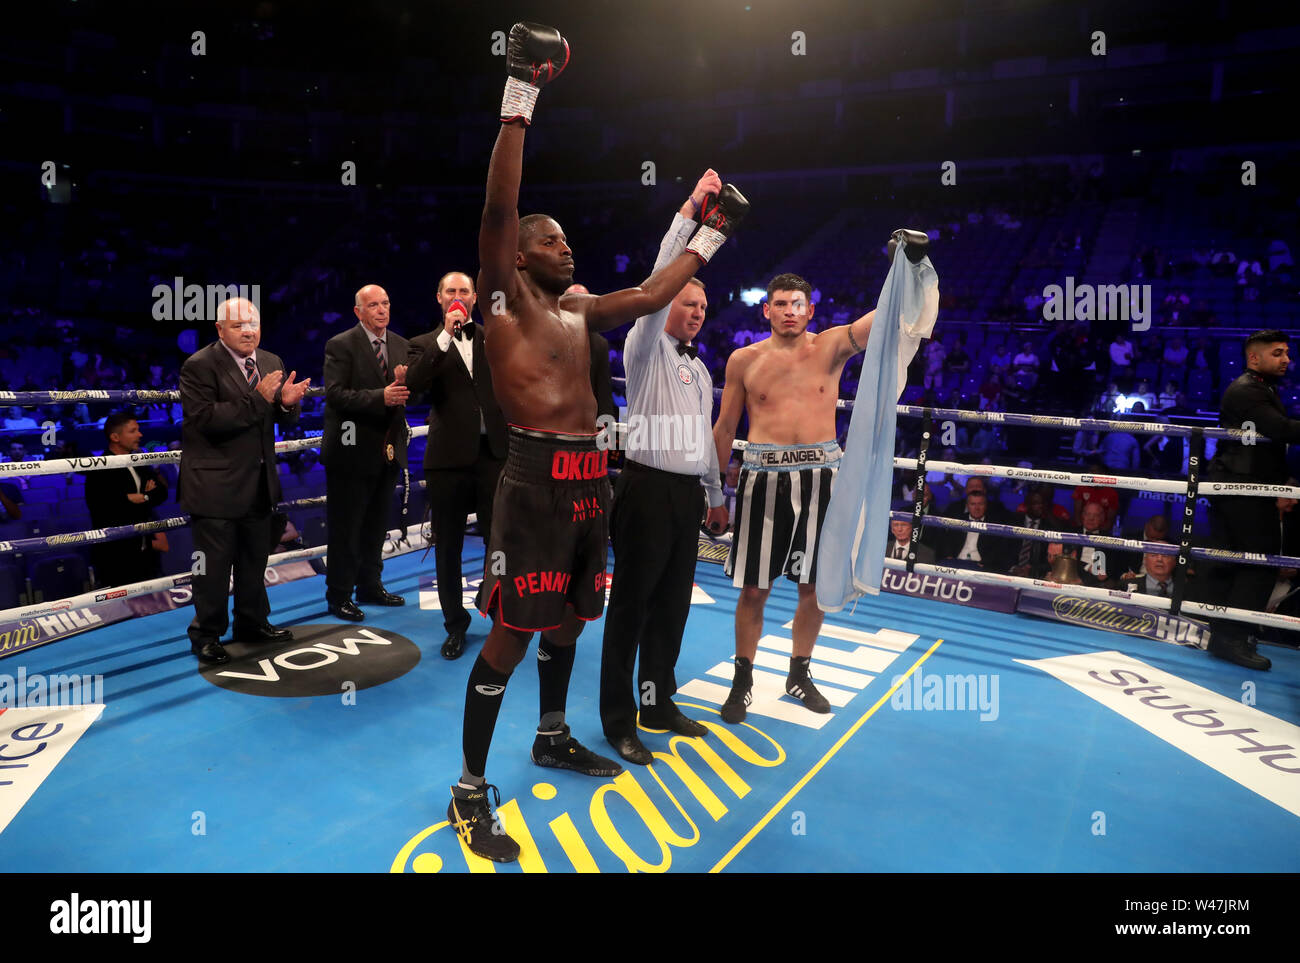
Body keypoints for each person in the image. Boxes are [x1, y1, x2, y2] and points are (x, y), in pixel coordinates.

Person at [445, 21, 748, 864]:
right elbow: (500, 208)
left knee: (573, 622)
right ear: (521, 254)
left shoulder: (579, 311)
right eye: (550, 240)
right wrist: (521, 95)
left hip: (591, 488)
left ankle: (551, 733)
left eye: (566, 241)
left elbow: (655, 290)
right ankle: (469, 787)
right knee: (511, 632)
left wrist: (711, 232)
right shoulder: (505, 301)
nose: (563, 245)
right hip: (533, 488)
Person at [600, 171, 730, 766]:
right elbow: (656, 278)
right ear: (667, 303)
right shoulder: (644, 345)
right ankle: (617, 719)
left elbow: (703, 440)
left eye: (704, 305)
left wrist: (716, 494)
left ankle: (656, 703)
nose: (697, 311)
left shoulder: (702, 371)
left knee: (673, 605)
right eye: (688, 301)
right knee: (629, 605)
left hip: (686, 499)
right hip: (645, 489)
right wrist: (691, 213)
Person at [712, 270, 877, 725]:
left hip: (822, 479)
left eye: (797, 304)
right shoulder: (744, 360)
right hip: (763, 479)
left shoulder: (830, 347)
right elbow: (726, 428)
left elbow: (883, 320)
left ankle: (799, 673)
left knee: (813, 587)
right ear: (767, 310)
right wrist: (710, 491)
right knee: (753, 588)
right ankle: (742, 679)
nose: (790, 311)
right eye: (781, 304)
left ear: (811, 309)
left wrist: (911, 268)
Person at [178, 297, 310, 666]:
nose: (249, 331)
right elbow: (204, 419)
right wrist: (260, 399)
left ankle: (252, 623)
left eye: (253, 324)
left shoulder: (270, 361)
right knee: (214, 569)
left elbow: (283, 419)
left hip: (260, 484)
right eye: (238, 326)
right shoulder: (199, 366)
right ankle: (206, 635)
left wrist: (285, 403)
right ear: (220, 330)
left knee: (254, 562)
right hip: (215, 488)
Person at [404, 272, 507, 659]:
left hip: (494, 455)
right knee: (448, 546)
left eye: (465, 291)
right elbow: (414, 386)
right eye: (452, 291)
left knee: (499, 541)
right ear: (439, 298)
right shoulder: (422, 344)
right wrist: (445, 337)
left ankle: (499, 615)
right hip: (448, 460)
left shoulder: (494, 337)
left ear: (476, 297)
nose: (459, 296)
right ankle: (455, 625)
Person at [1204, 330, 1300, 670]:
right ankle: (1232, 638)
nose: (1287, 359)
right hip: (1243, 487)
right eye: (1278, 353)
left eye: (1287, 352)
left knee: (1243, 561)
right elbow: (1282, 429)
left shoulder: (1261, 388)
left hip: (1244, 485)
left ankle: (1224, 636)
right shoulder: (1248, 391)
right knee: (1259, 563)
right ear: (1254, 358)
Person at [321, 284, 411, 622]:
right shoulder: (341, 345)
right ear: (358, 311)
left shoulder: (402, 345)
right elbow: (336, 395)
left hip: (386, 451)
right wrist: (381, 397)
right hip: (350, 451)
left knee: (376, 525)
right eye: (373, 305)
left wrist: (407, 386)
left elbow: (408, 398)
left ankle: (370, 585)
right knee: (347, 528)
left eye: (385, 303)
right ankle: (339, 595)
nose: (381, 310)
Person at [84, 412, 169, 588]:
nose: (140, 435)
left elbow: (161, 493)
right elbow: (103, 508)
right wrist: (138, 499)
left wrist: (142, 497)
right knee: (126, 609)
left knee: (154, 606)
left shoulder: (138, 461)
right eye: (133, 431)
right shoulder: (100, 468)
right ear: (115, 437)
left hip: (146, 551)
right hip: (118, 554)